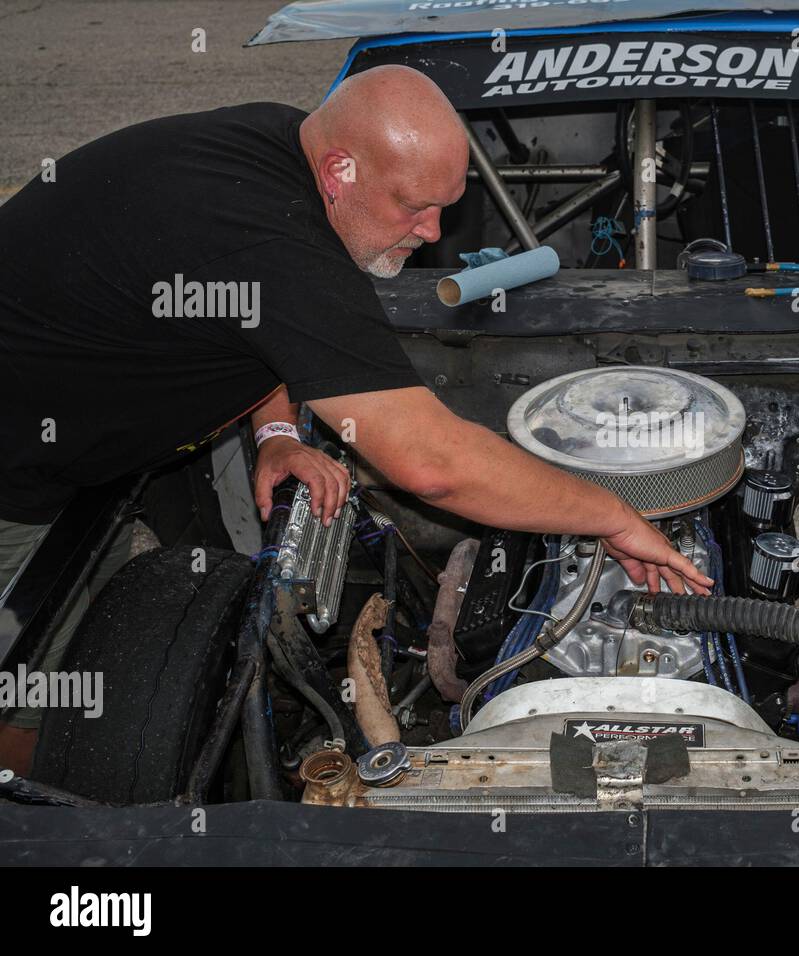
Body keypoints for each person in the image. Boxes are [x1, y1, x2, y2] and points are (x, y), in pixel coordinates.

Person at [0, 65, 710, 774]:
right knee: (32, 700)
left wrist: (275, 432)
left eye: (444, 206)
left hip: (78, 444)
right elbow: (430, 464)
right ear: (340, 169)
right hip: (15, 482)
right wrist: (611, 516)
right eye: (412, 206)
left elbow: (239, 322)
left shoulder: (284, 152)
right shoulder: (271, 236)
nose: (431, 233)